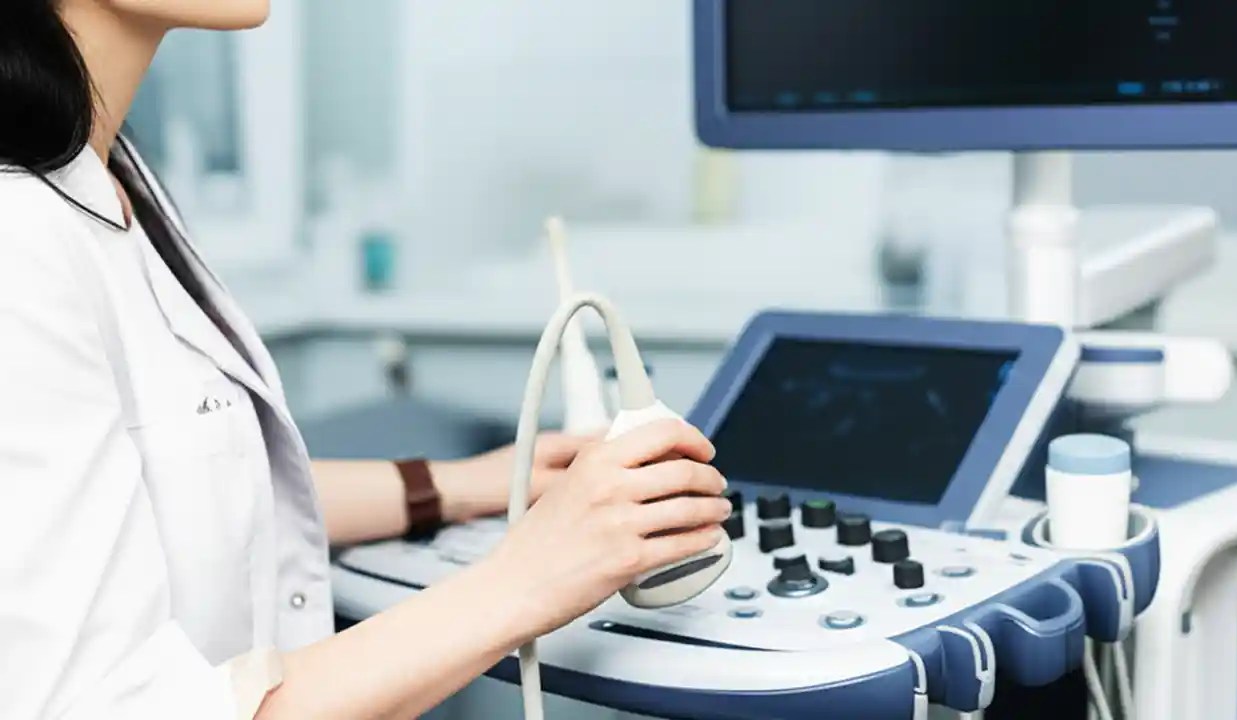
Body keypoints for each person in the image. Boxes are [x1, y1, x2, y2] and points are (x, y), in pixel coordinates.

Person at [0, 2, 733, 718]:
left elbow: (191, 479)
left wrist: (459, 486)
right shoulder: (20, 237)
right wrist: (531, 576)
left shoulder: (109, 181)